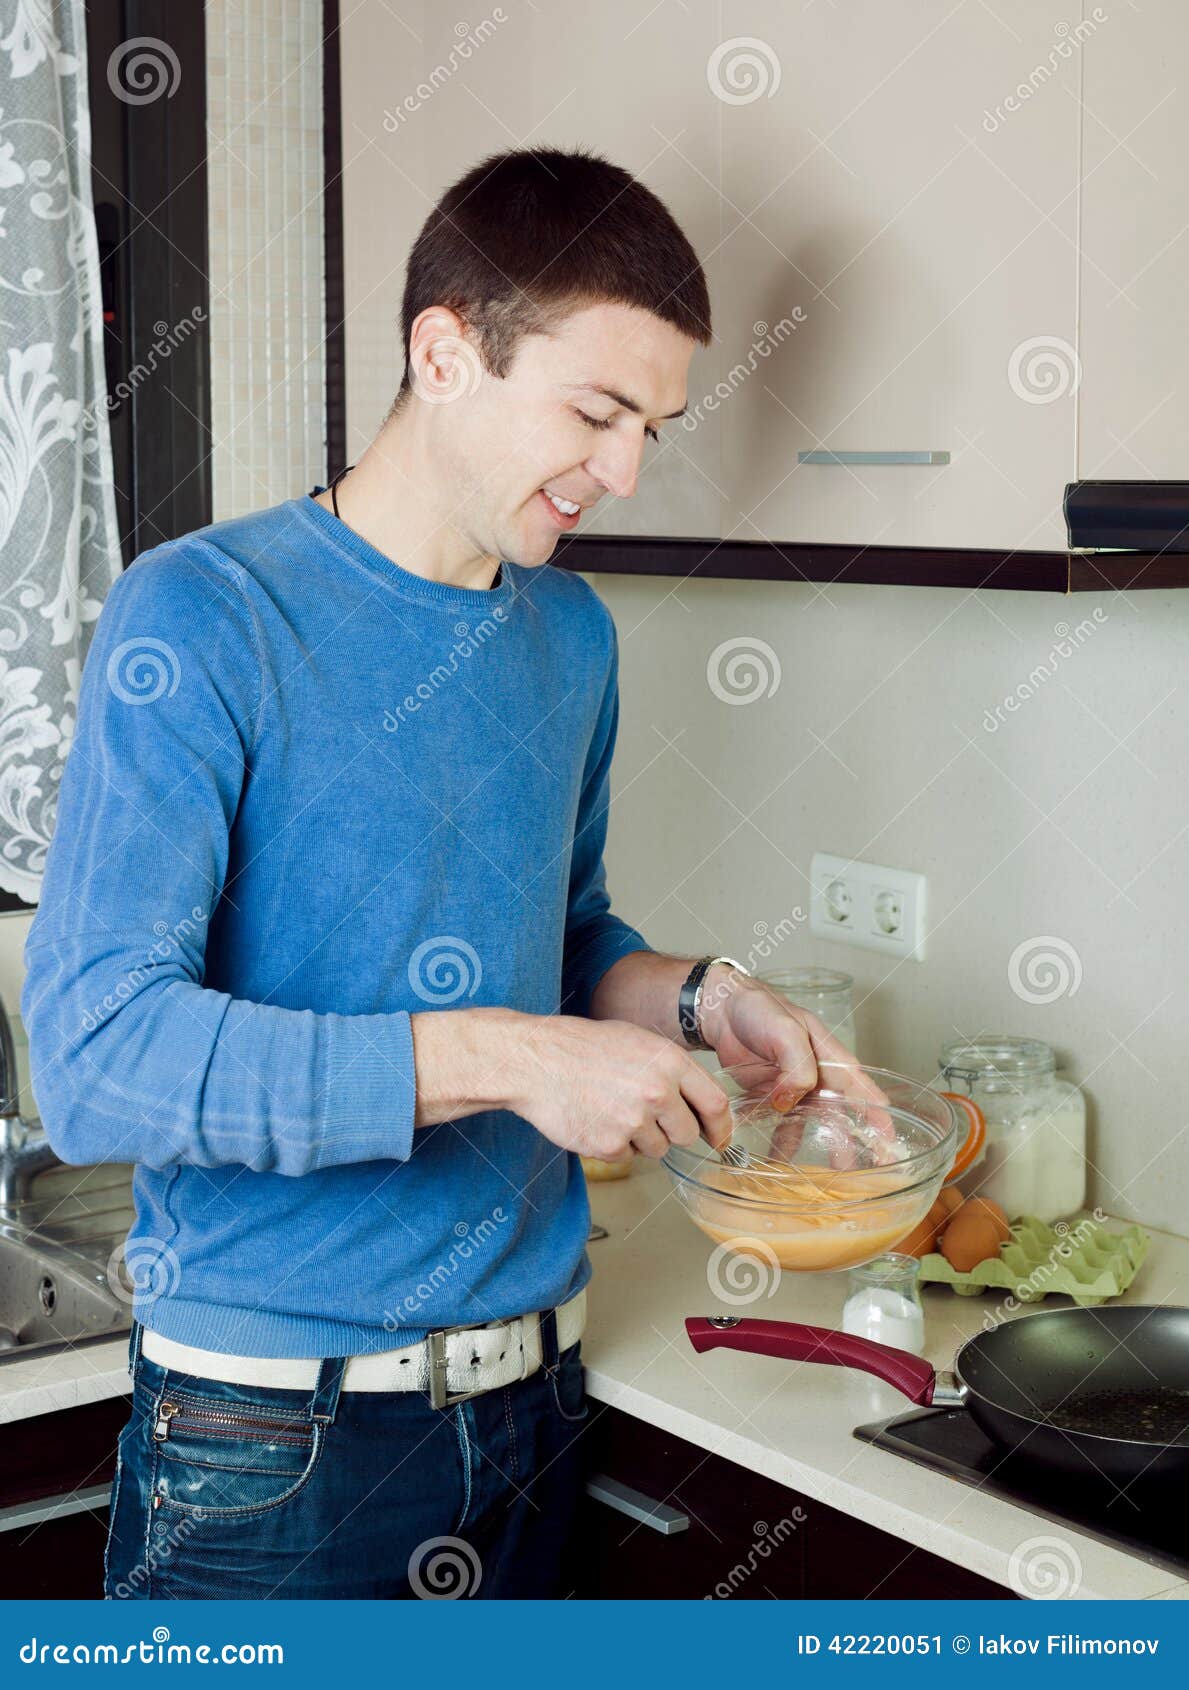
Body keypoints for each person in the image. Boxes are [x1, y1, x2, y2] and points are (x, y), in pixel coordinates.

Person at [22, 147, 866, 1601]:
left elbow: (566, 932)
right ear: (444, 349)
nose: (625, 469)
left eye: (654, 427)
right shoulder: (205, 620)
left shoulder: (571, 638)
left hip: (533, 1405)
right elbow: (98, 1059)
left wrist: (692, 1000)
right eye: (598, 412)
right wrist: (509, 1058)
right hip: (271, 1441)